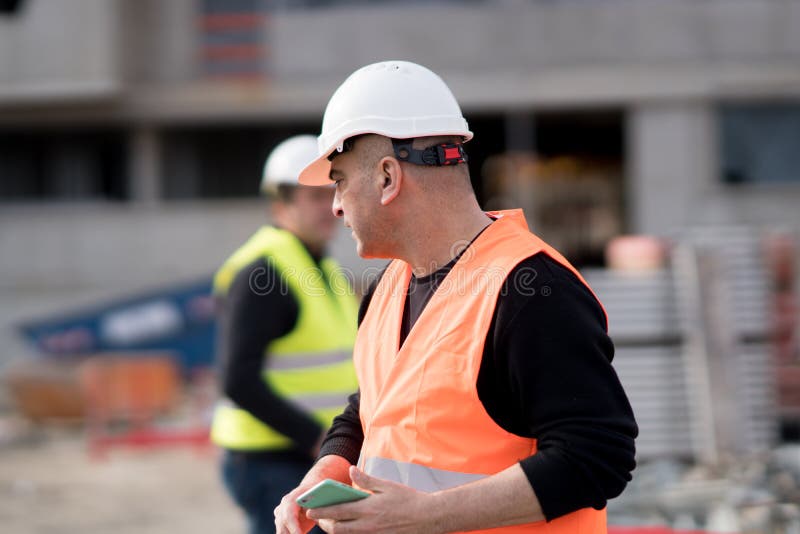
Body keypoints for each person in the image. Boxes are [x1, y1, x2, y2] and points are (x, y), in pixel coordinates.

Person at [274, 61, 638, 534]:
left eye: (339, 179)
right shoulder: (387, 287)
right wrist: (329, 467)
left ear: (388, 178)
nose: (336, 204)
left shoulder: (530, 291)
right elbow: (370, 408)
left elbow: (598, 455)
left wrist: (425, 516)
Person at [210, 135, 359, 534]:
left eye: (333, 191)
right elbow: (236, 379)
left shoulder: (322, 269)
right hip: (269, 458)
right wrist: (313, 437)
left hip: (310, 456)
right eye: (314, 197)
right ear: (281, 204)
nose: (330, 207)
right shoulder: (263, 272)